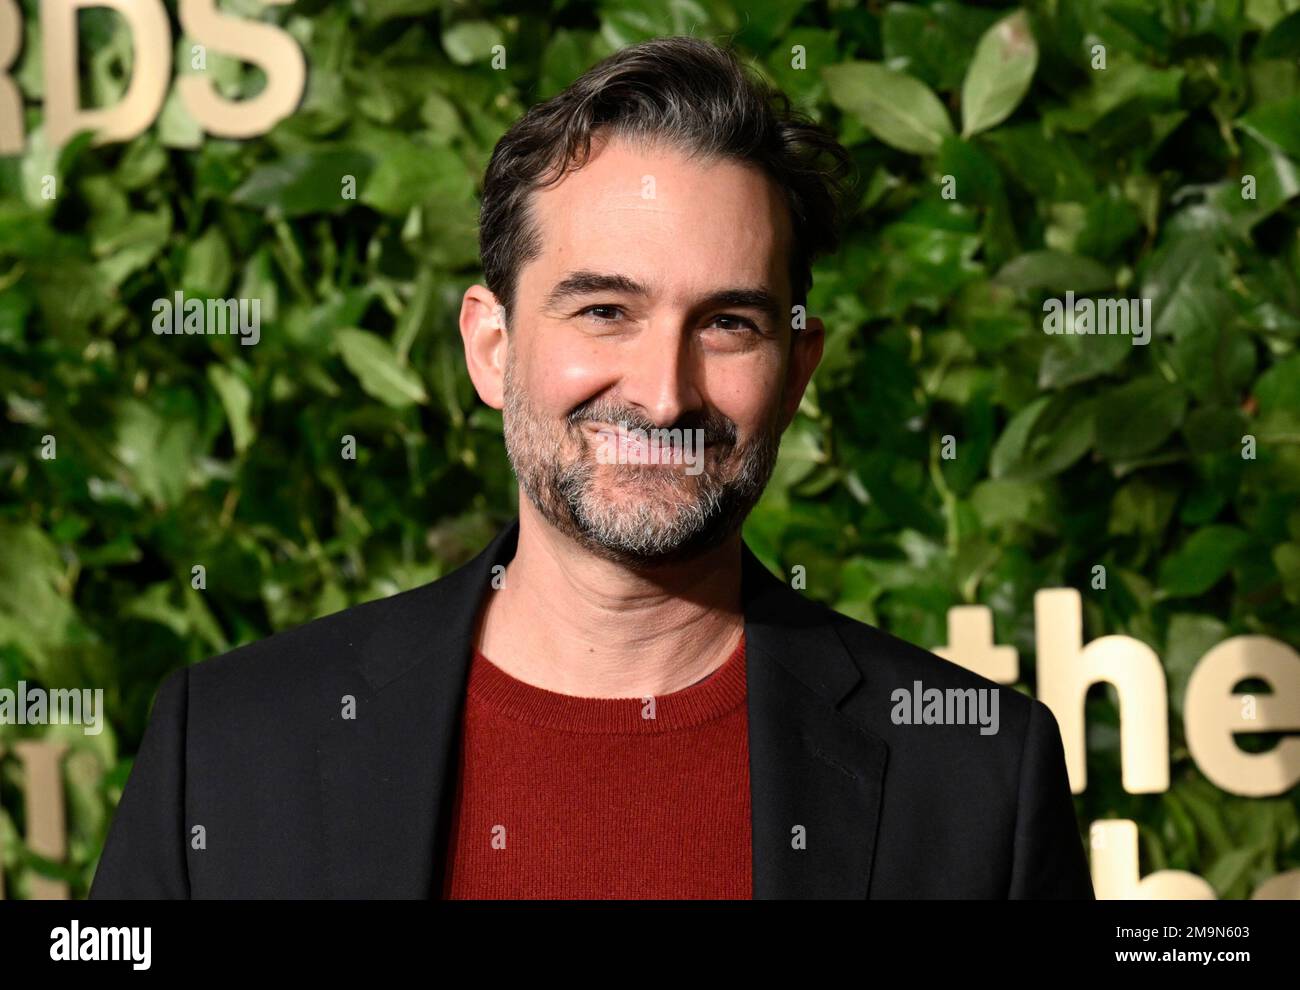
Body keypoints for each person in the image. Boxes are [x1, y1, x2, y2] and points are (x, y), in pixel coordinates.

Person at [90, 35, 1094, 900]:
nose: (662, 395)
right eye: (605, 311)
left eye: (728, 323)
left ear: (797, 371)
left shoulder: (973, 780)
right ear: (491, 348)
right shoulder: (228, 748)